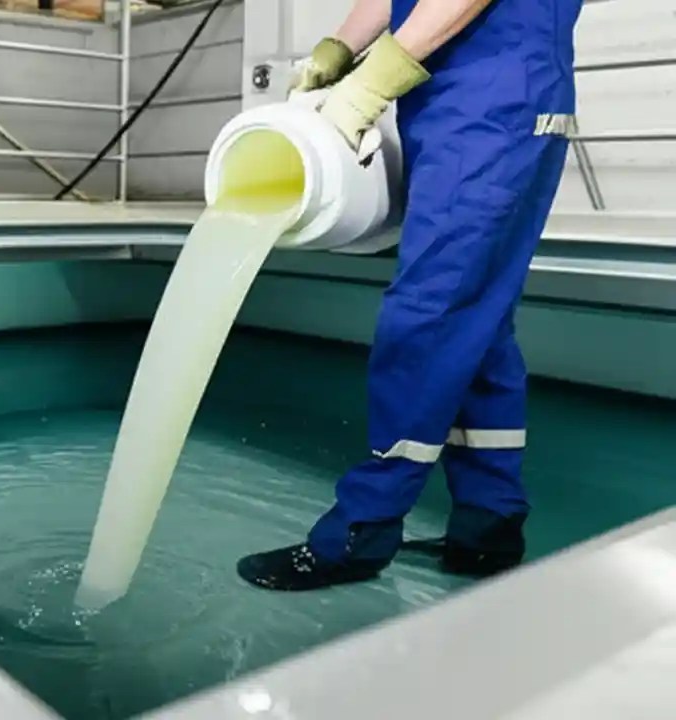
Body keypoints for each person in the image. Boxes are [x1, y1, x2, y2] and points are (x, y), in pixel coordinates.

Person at [237, 0, 583, 591]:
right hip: (454, 100)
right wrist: (340, 48)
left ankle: (360, 531)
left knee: (427, 315)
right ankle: (488, 525)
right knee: (481, 323)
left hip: (497, 98)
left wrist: (375, 76)